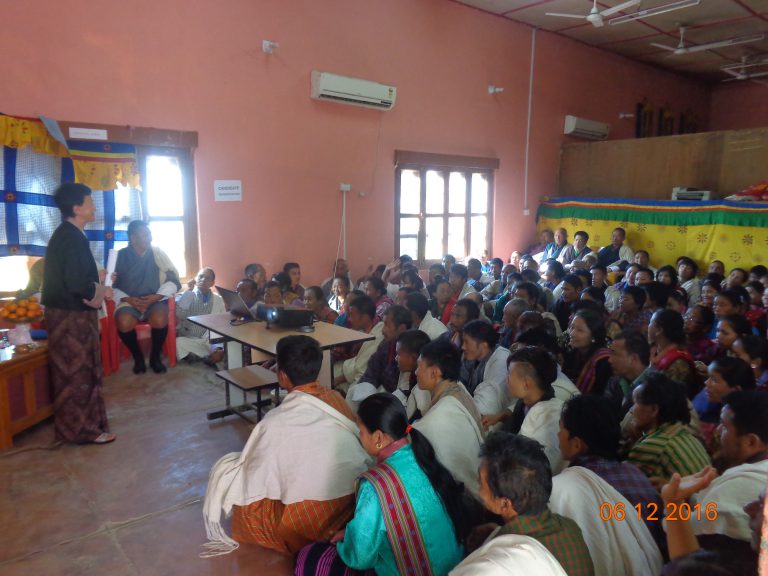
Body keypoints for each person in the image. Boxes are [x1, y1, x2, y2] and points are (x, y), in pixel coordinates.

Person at [202, 336, 369, 557]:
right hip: (348, 503)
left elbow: (255, 473)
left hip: (307, 521)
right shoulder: (336, 399)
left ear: (282, 377)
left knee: (242, 499)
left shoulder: (275, 421)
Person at [296, 393, 466, 576]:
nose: (359, 436)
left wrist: (347, 542)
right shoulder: (421, 457)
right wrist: (351, 532)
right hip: (453, 566)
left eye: (360, 431)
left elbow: (360, 557)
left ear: (378, 437)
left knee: (308, 558)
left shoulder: (374, 486)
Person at [42, 183, 114, 445]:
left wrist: (100, 281)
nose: (94, 207)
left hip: (68, 314)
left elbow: (75, 276)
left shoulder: (69, 234)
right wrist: (102, 291)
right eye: (89, 202)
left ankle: (76, 428)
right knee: (78, 374)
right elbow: (75, 284)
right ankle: (85, 431)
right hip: (70, 318)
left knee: (73, 374)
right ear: (76, 208)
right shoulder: (70, 237)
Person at [467, 432, 594, 576]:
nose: (479, 488)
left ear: (504, 504)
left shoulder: (499, 566)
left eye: (480, 482)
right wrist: (497, 532)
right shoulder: (570, 527)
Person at [558, 395, 666, 551]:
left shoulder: (566, 488)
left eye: (561, 428)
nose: (558, 435)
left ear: (576, 445)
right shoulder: (635, 473)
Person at [673, 391, 768, 564]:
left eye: (724, 426)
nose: (717, 431)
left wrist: (673, 500)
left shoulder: (737, 486)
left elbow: (684, 556)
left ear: (751, 442)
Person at [412, 339, 485, 495]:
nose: (416, 372)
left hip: (466, 498)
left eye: (419, 366)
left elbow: (412, 441)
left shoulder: (442, 415)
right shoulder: (458, 388)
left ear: (435, 373)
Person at [112, 220, 181, 374]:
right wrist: (128, 299)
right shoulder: (120, 256)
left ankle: (155, 357)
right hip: (129, 301)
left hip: (154, 300)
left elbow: (173, 280)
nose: (149, 238)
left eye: (149, 234)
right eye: (145, 235)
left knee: (160, 319)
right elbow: (111, 285)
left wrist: (156, 297)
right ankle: (138, 357)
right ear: (133, 238)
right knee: (123, 322)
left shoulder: (157, 254)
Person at [626, 372, 711, 487]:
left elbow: (627, 486)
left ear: (653, 410)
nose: (632, 410)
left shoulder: (651, 446)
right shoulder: (685, 434)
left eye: (636, 403)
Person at [500, 346, 566, 473]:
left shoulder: (550, 418)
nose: (506, 379)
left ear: (526, 383)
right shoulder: (523, 403)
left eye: (509, 373)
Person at [345, 305, 412, 409]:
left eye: (387, 325)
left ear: (402, 328)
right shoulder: (386, 344)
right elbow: (372, 369)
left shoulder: (411, 352)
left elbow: (402, 388)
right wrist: (366, 387)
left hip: (396, 402)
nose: (383, 331)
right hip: (379, 391)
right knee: (354, 392)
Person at [693, 356, 755, 452]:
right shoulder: (714, 407)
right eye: (708, 377)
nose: (706, 383)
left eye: (714, 380)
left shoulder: (741, 429)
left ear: (736, 390)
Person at [333, 295, 385, 392]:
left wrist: (337, 380)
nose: (349, 319)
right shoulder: (362, 332)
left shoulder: (377, 335)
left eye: (352, 315)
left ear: (365, 317)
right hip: (349, 369)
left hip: (360, 379)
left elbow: (360, 369)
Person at [175, 267, 226, 365]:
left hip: (209, 338)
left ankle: (206, 356)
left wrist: (219, 345)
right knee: (178, 343)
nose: (203, 280)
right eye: (201, 276)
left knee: (218, 347)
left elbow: (222, 322)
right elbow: (179, 314)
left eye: (208, 278)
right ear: (195, 279)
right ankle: (206, 358)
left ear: (212, 283)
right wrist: (189, 290)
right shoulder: (187, 295)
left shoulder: (218, 299)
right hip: (191, 336)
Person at [459, 320, 510, 416]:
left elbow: (487, 404)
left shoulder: (502, 359)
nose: (463, 347)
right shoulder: (469, 356)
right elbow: (460, 384)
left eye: (466, 342)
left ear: (483, 345)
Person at [648, 309, 699, 398]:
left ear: (659, 330)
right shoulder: (654, 350)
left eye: (650, 323)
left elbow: (669, 399)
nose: (648, 326)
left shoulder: (678, 363)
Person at [563, 308, 613, 395]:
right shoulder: (573, 353)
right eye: (572, 327)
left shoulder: (604, 362)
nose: (572, 333)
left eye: (580, 330)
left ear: (594, 336)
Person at [605, 329, 652, 417]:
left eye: (615, 354)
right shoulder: (615, 382)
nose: (610, 360)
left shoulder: (653, 389)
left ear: (633, 358)